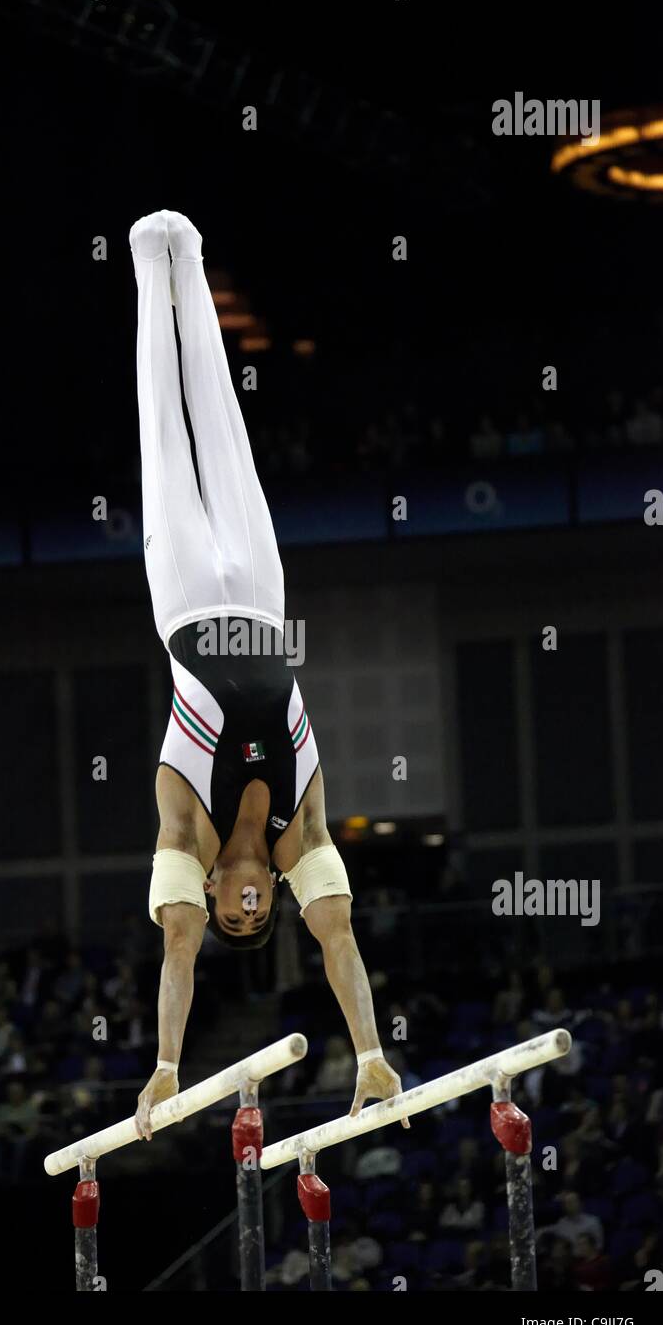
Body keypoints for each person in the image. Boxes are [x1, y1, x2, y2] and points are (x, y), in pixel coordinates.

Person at [128, 211, 405, 1139]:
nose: (247, 910)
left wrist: (166, 1070)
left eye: (232, 919)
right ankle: (195, 260)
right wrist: (368, 1053)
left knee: (166, 433)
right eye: (258, 917)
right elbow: (337, 938)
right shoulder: (303, 834)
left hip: (184, 605)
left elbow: (176, 952)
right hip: (256, 602)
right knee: (227, 418)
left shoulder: (182, 826)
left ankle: (147, 269)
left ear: (211, 898)